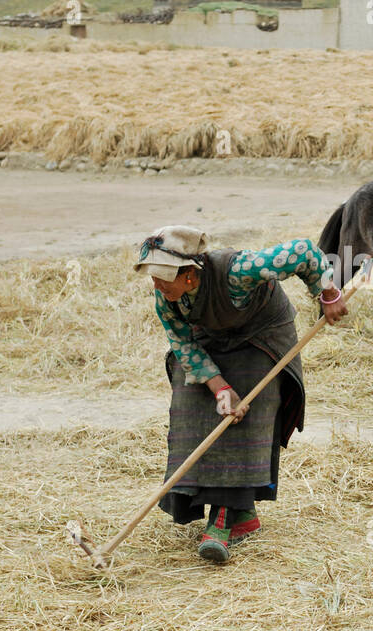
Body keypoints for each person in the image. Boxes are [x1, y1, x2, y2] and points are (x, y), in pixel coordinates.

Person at [135, 225, 348, 563]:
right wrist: (219, 388)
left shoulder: (239, 270)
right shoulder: (167, 299)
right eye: (154, 278)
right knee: (192, 404)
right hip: (210, 341)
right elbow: (183, 344)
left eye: (163, 277)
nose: (157, 286)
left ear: (189, 275)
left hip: (261, 334)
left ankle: (220, 520)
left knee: (244, 415)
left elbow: (304, 251)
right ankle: (244, 516)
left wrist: (327, 293)